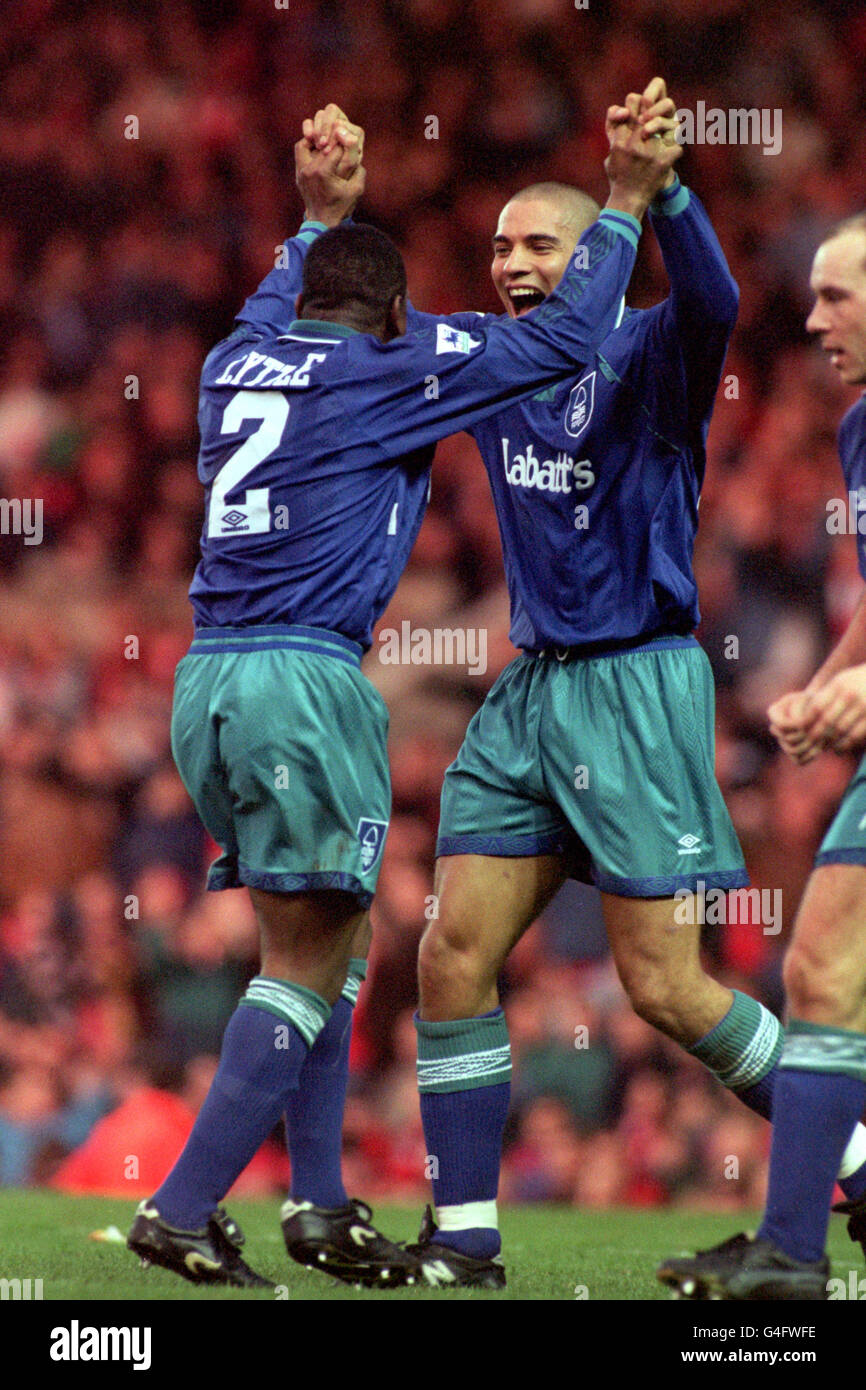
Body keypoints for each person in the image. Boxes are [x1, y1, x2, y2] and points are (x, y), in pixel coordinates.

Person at [308, 80, 866, 1289]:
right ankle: (464, 1240)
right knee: (451, 954)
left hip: (634, 685)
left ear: (591, 254)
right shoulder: (499, 361)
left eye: (537, 243)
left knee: (663, 988)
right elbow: (364, 335)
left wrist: (661, 190)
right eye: (499, 244)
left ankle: (861, 1165)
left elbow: (711, 293)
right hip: (527, 691)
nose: (509, 262)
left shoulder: (655, 348)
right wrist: (330, 216)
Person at [125, 106, 678, 1289]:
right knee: (307, 966)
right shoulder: (386, 367)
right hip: (302, 684)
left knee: (326, 942)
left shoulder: (238, 354)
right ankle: (177, 1207)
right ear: (389, 315)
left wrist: (319, 212)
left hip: (205, 680)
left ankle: (319, 1206)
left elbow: (285, 292)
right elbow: (561, 343)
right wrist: (624, 206)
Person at [657, 211, 866, 1301]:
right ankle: (791, 1251)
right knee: (820, 969)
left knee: (822, 969)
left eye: (836, 295)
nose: (812, 315)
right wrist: (833, 680)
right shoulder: (860, 427)